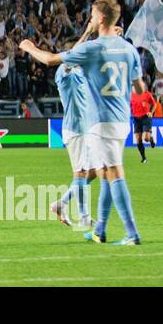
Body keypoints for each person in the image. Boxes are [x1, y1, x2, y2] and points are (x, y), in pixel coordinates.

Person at [20, 0, 145, 245]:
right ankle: (99, 229)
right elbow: (140, 89)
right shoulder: (129, 49)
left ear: (100, 18)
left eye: (91, 14)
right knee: (102, 172)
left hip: (101, 122)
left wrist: (29, 47)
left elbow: (51, 59)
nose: (89, 17)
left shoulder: (92, 50)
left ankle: (131, 234)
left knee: (113, 174)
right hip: (122, 120)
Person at [48, 25, 100, 230]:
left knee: (95, 171)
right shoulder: (63, 71)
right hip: (74, 129)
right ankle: (84, 216)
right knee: (80, 173)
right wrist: (87, 33)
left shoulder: (82, 72)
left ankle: (60, 204)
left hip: (87, 129)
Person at [130, 79, 157, 163]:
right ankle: (144, 158)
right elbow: (130, 106)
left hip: (145, 117)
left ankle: (151, 139)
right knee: (138, 139)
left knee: (146, 138)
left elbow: (154, 104)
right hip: (136, 118)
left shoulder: (147, 94)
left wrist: (151, 112)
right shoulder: (131, 95)